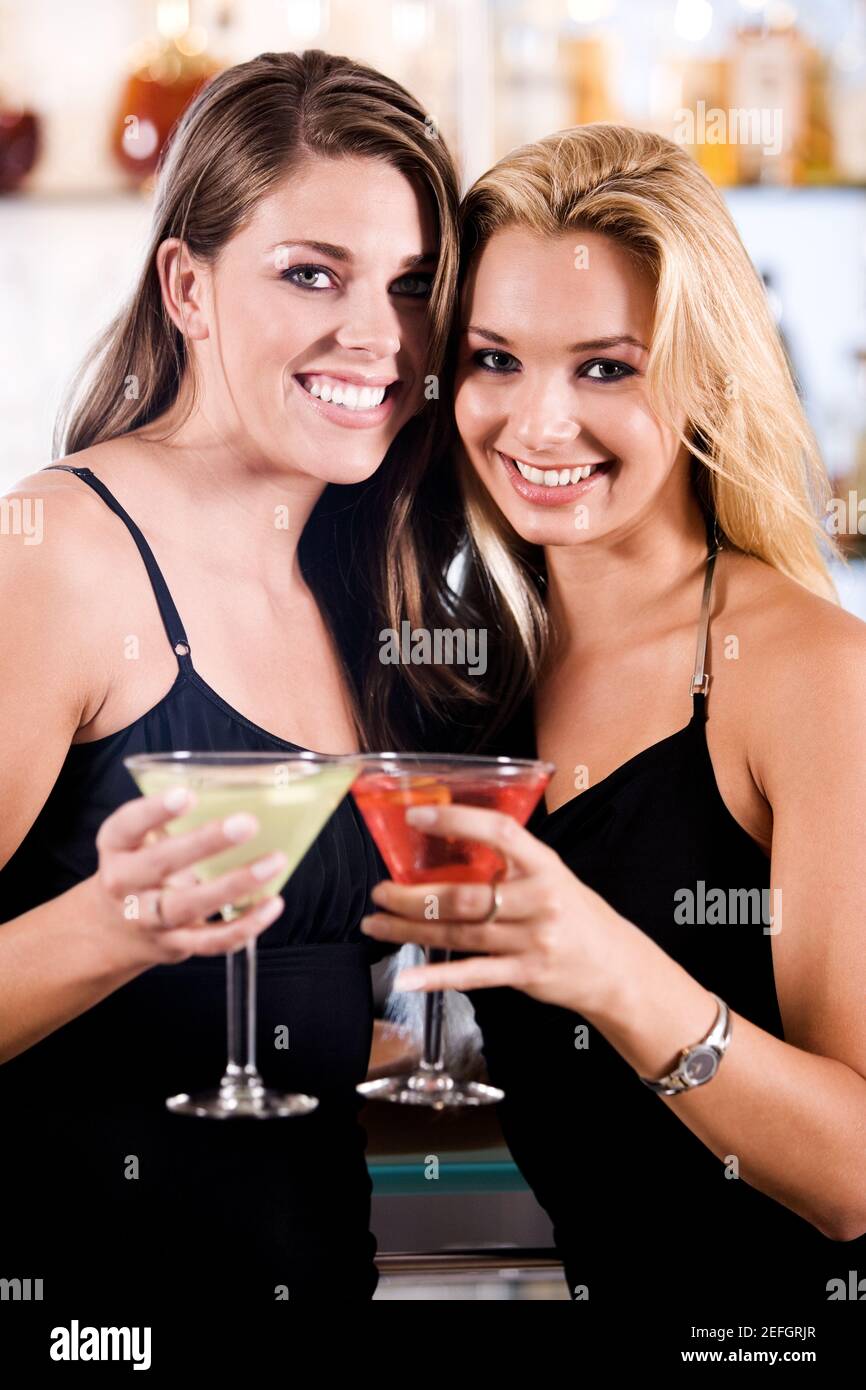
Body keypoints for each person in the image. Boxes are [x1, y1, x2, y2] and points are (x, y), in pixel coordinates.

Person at [360, 124, 866, 1319]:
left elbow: (851, 1177)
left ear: (701, 378)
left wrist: (603, 965)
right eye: (494, 358)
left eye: (604, 367)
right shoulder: (481, 674)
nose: (537, 425)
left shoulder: (808, 673)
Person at [0, 48, 460, 1314]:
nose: (375, 336)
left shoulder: (364, 580)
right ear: (187, 286)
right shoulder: (62, 560)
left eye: (411, 285)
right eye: (311, 273)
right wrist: (109, 930)